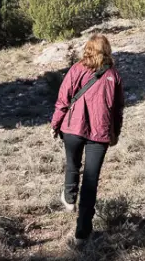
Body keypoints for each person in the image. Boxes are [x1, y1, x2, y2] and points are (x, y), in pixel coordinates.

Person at [50, 33, 124, 242]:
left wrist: (55, 124)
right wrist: (115, 132)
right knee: (91, 182)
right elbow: (118, 109)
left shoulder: (76, 69)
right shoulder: (113, 75)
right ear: (107, 50)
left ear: (88, 49)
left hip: (73, 128)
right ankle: (82, 233)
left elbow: (62, 100)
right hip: (100, 134)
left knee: (72, 164)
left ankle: (69, 198)